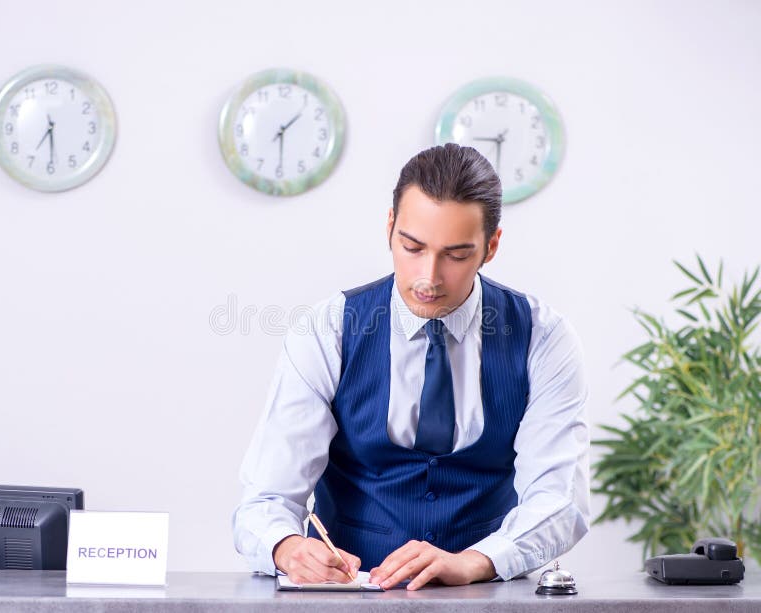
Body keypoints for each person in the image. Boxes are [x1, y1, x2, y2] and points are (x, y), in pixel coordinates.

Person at [232, 143, 589, 590]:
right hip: (348, 601)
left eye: (456, 255)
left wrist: (476, 561)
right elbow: (264, 499)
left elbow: (559, 500)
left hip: (486, 598)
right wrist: (287, 547)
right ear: (389, 228)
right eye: (412, 247)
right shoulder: (327, 331)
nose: (429, 276)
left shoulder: (544, 337)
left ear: (491, 246)